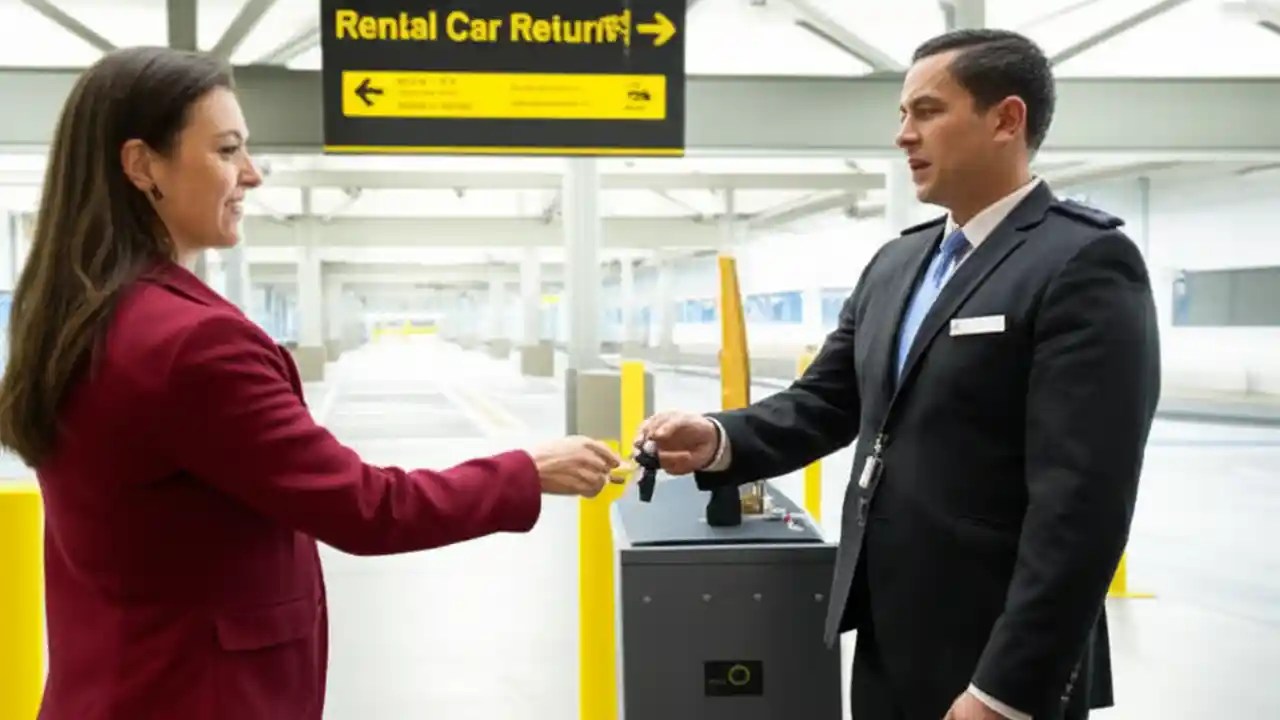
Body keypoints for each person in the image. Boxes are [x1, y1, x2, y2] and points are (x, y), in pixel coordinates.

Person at [0, 46, 620, 720]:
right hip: (198, 695)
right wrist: (525, 472)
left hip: (105, 689)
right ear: (142, 165)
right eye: (227, 150)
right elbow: (364, 507)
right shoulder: (191, 344)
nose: (252, 174)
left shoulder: (82, 317)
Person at [635, 29, 1160, 720]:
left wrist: (1005, 692)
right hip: (890, 629)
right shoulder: (898, 264)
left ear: (1007, 119)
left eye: (927, 111)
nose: (903, 135)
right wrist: (715, 438)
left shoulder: (1082, 263)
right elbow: (825, 401)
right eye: (902, 115)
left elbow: (1082, 507)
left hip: (997, 653)